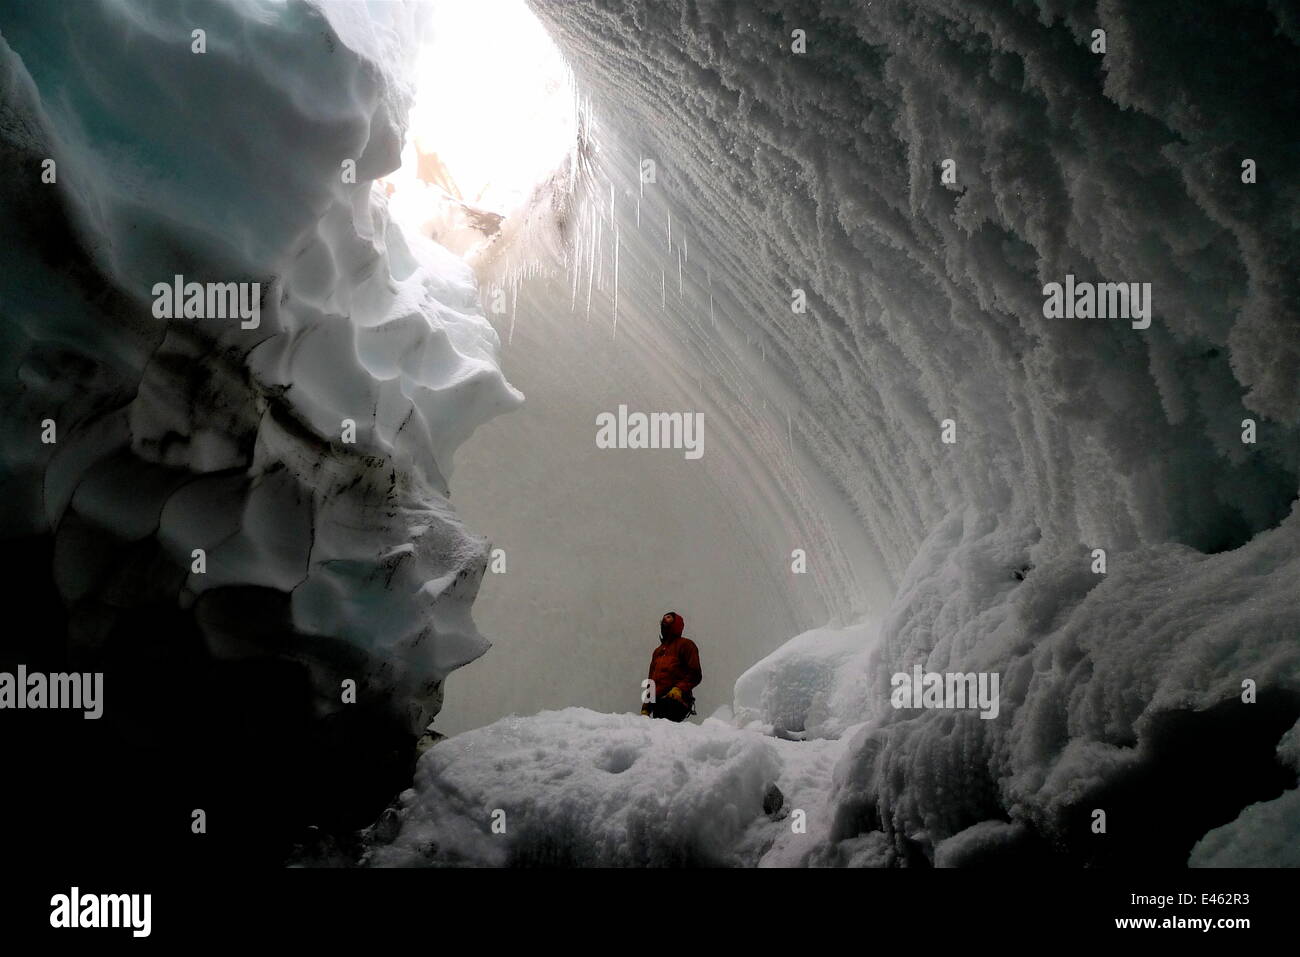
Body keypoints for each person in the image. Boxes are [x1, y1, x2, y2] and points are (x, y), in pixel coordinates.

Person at [641, 611, 701, 721]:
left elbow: (695, 673)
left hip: (676, 701)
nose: (664, 619)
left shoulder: (686, 645)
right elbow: (651, 682)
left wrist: (678, 689)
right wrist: (646, 708)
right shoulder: (657, 652)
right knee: (659, 733)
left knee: (665, 730)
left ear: (676, 622)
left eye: (668, 617)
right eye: (663, 618)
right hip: (658, 704)